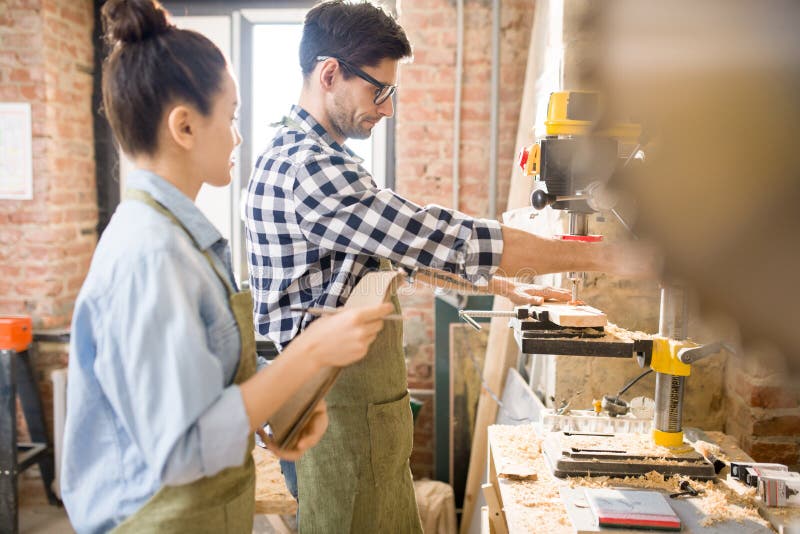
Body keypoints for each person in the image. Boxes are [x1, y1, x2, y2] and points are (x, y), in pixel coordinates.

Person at [244, 1, 658, 531]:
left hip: (345, 401)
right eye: (380, 90)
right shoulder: (311, 168)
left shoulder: (314, 157)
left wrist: (506, 286)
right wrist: (604, 254)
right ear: (330, 74)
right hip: (336, 406)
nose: (388, 108)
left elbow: (389, 254)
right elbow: (438, 236)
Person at [61, 1, 393, 532]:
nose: (239, 136)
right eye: (232, 116)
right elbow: (182, 449)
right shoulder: (153, 255)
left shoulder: (182, 239)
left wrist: (281, 404)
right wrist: (308, 354)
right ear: (185, 126)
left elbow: (207, 380)